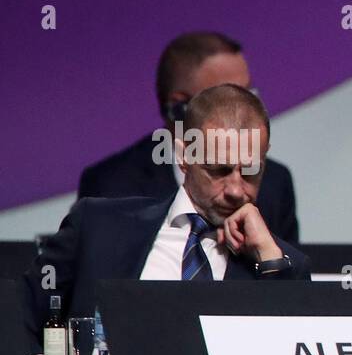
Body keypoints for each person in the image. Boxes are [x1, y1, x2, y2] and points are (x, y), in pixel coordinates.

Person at [25, 85, 310, 355]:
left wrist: (270, 258)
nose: (236, 190)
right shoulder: (97, 226)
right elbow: (17, 314)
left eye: (251, 171)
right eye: (219, 170)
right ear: (184, 156)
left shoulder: (284, 266)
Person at [78, 31, 300, 243]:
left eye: (249, 95)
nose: (243, 108)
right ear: (179, 108)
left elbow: (288, 279)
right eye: (224, 97)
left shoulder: (274, 182)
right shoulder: (111, 186)